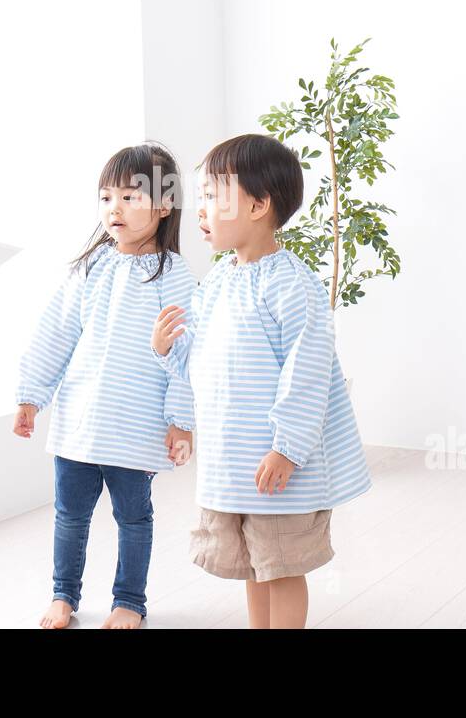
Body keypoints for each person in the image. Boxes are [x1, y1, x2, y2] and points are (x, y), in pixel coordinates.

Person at [152, 133, 371, 629]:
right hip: (235, 461)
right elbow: (204, 366)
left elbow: (308, 373)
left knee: (282, 564)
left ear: (258, 205)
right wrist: (169, 352)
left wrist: (287, 447)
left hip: (277, 464)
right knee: (254, 562)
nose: (201, 209)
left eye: (212, 195)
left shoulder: (293, 285)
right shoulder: (218, 283)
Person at [13, 143, 196, 629]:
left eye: (130, 197)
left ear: (163, 205)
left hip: (134, 426)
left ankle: (129, 601)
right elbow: (56, 331)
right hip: (79, 421)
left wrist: (182, 422)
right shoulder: (91, 267)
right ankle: (63, 595)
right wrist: (32, 394)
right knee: (69, 516)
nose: (114, 208)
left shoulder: (173, 275)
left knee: (133, 519)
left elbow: (189, 354)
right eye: (106, 197)